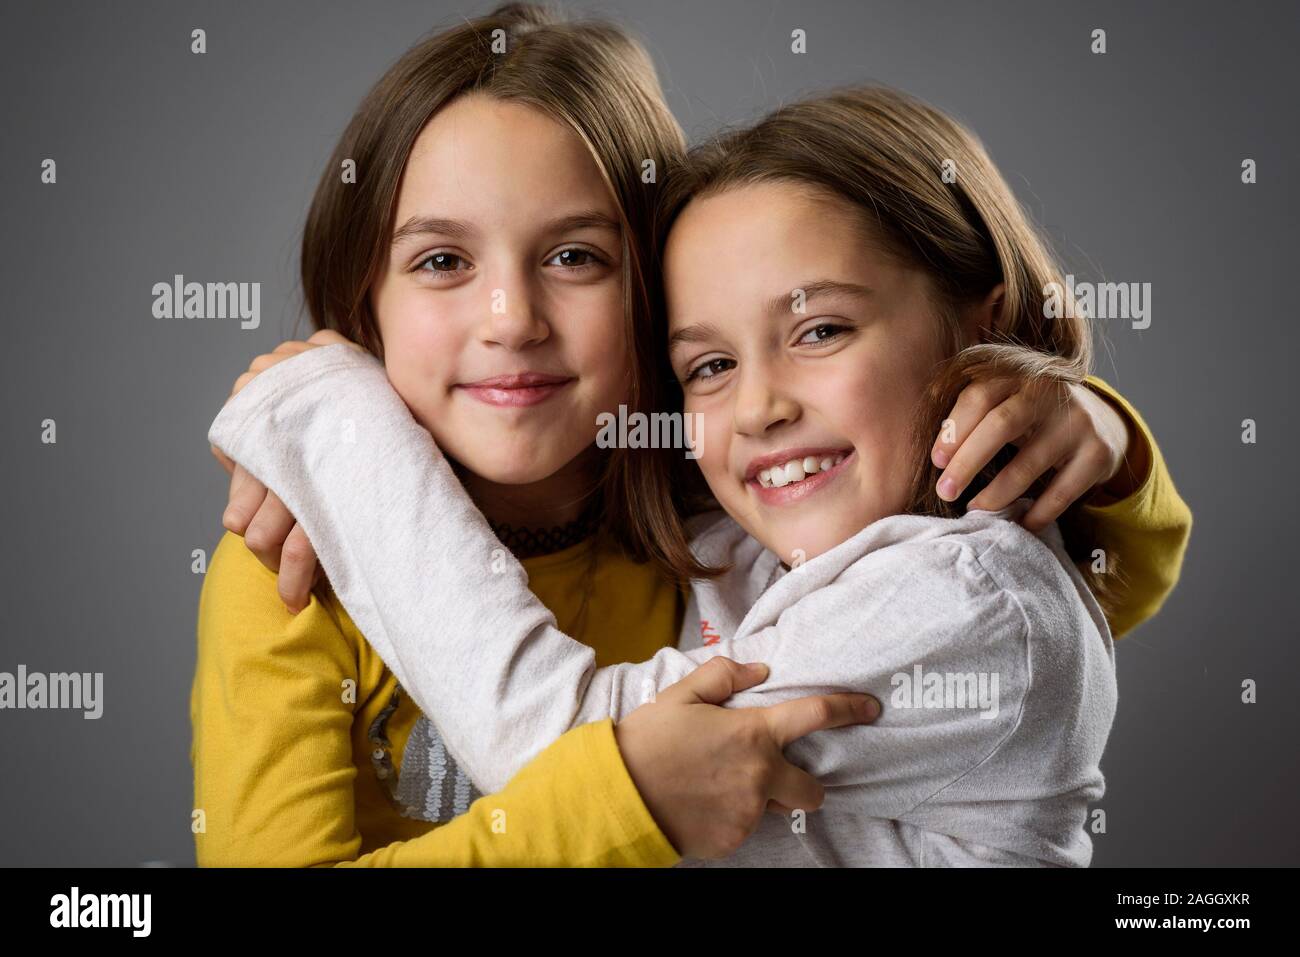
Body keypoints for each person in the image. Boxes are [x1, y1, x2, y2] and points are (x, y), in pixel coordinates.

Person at [209, 86, 1192, 866]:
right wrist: (324, 468)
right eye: (711, 365)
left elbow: (1045, 603)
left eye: (820, 330)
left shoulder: (953, 591)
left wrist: (334, 429)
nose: (760, 406)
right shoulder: (729, 524)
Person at [191, 3, 881, 868]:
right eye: (443, 262)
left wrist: (1091, 445)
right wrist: (623, 804)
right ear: (366, 300)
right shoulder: (294, 564)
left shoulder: (737, 503)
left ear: (660, 289)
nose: (511, 319)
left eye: (575, 257)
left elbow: (1011, 625)